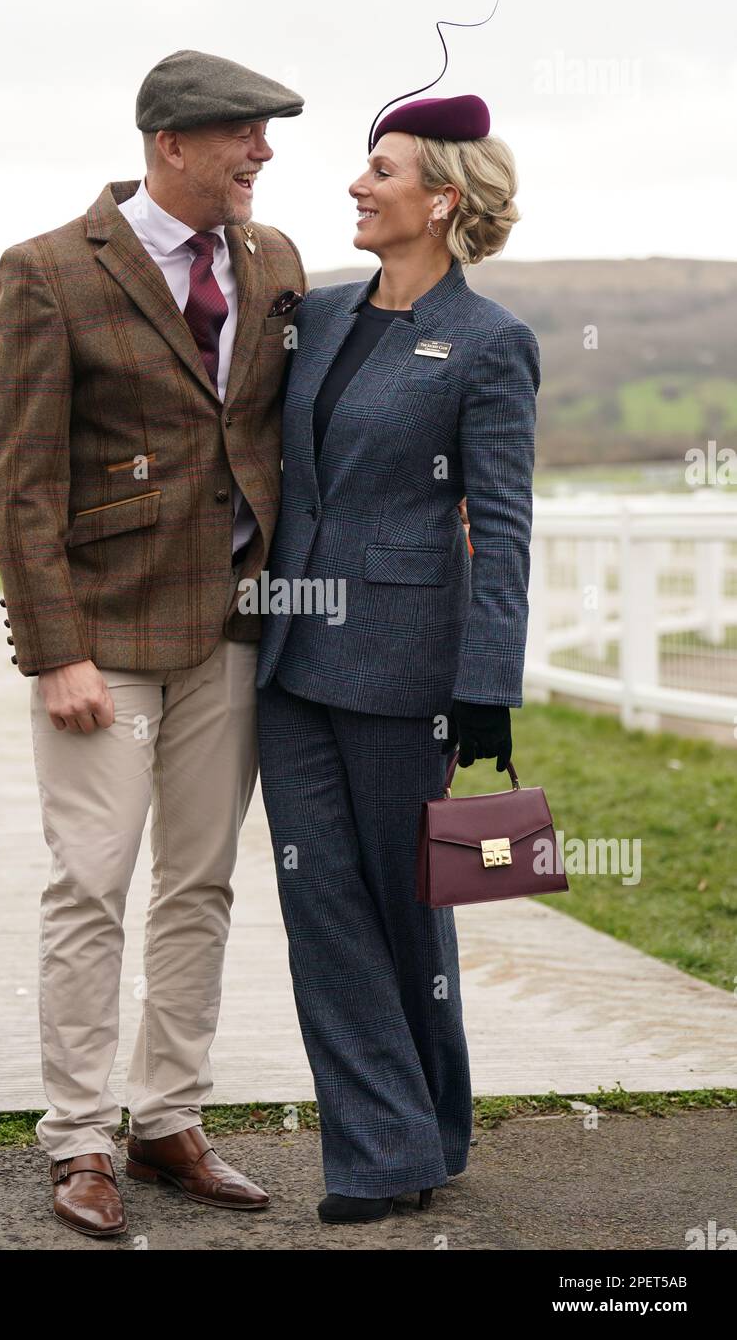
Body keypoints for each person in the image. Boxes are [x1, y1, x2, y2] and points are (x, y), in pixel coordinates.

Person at [0, 50, 306, 1238]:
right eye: (245, 135)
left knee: (202, 884)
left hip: (230, 632)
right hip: (101, 644)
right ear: (172, 143)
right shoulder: (49, 271)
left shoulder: (272, 261)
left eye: (268, 136)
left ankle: (170, 1119)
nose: (263, 154)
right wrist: (52, 649)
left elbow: (275, 441)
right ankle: (79, 1136)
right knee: (91, 884)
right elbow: (19, 485)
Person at [255, 93, 541, 1223]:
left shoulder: (490, 342)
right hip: (288, 659)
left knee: (407, 906)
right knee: (320, 908)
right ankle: (383, 1151)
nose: (357, 187)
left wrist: (487, 681)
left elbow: (505, 522)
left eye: (381, 171)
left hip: (406, 669)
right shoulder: (314, 321)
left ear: (444, 199)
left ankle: (432, 1124)